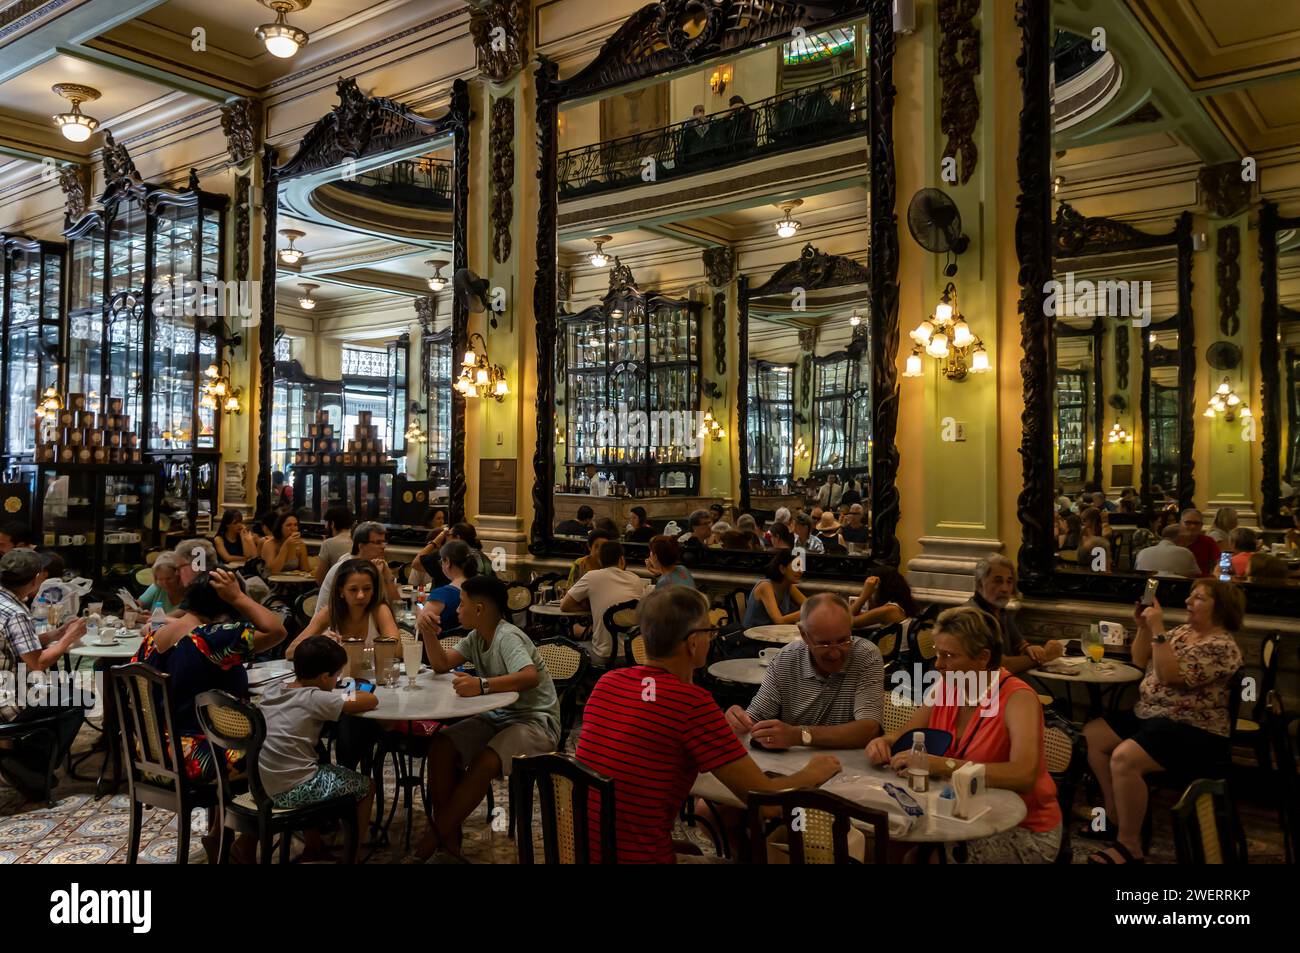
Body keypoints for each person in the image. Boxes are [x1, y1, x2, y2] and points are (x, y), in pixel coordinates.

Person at [577, 586, 841, 863]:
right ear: (693, 642)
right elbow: (768, 805)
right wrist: (814, 772)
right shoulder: (691, 704)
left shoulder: (607, 683)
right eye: (709, 631)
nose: (712, 638)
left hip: (589, 852)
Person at [867, 606, 1063, 864]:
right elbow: (907, 733)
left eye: (949, 656)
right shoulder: (948, 685)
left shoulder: (1018, 699)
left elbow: (1023, 776)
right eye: (938, 654)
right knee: (886, 840)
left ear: (983, 657)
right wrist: (884, 741)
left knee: (928, 858)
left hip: (1020, 826)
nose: (938, 665)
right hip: (957, 813)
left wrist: (942, 765)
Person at [1081, 581, 1245, 865]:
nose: (1188, 601)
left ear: (1220, 608)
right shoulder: (1184, 632)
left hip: (1193, 729)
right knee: (1093, 734)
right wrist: (1144, 627)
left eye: (1198, 598)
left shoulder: (1221, 646)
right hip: (1152, 716)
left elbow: (1170, 676)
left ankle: (1129, 845)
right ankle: (1113, 814)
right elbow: (1138, 658)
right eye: (1190, 595)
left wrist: (1157, 629)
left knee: (1124, 758)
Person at [415, 575, 561, 863]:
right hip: (500, 716)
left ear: (479, 609)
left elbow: (529, 676)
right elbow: (442, 664)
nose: (457, 610)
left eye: (462, 605)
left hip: (535, 721)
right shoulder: (476, 637)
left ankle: (430, 843)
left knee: (484, 761)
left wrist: (481, 684)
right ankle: (450, 844)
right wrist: (428, 633)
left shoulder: (508, 636)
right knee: (442, 745)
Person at [133, 570, 287, 784]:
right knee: (286, 748)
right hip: (198, 754)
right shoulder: (210, 637)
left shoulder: (153, 638)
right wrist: (238, 597)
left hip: (152, 752)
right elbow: (277, 631)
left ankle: (223, 818)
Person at [256, 635, 377, 862]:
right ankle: (354, 856)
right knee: (367, 786)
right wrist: (346, 692)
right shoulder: (316, 697)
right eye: (337, 675)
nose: (337, 679)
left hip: (265, 783)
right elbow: (369, 701)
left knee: (317, 761)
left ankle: (313, 845)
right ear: (324, 677)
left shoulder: (274, 689)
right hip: (293, 790)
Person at [727, 593, 883, 747]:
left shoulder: (865, 655)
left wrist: (799, 735)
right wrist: (739, 720)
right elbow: (756, 717)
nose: (835, 653)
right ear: (804, 634)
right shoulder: (786, 659)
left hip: (852, 767)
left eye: (843, 640)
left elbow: (869, 729)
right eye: (824, 644)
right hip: (792, 765)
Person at [0, 549, 88, 800]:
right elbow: (38, 662)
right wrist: (69, 638)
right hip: (6, 698)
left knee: (60, 694)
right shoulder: (16, 612)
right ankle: (29, 765)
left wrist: (53, 636)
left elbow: (13, 642)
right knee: (78, 700)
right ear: (36, 579)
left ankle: (20, 760)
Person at [966, 554, 1060, 674]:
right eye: (998, 581)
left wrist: (1030, 649)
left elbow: (1020, 644)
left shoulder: (1000, 611)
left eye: (1009, 582)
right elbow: (1000, 667)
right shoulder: (972, 618)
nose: (1005, 589)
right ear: (980, 584)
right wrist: (1046, 655)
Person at [287, 558, 399, 658]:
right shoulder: (330, 612)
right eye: (353, 590)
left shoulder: (379, 610)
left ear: (373, 590)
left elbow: (398, 651)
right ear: (341, 591)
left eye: (367, 589)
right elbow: (290, 652)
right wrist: (318, 643)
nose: (361, 595)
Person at [561, 540, 647, 665]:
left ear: (600, 561)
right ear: (621, 560)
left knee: (573, 647)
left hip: (603, 656)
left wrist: (592, 607)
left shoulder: (592, 577)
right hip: (633, 655)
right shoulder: (636, 579)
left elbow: (565, 605)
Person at [317, 522, 399, 609]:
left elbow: (397, 605)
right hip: (333, 620)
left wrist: (388, 578)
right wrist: (375, 578)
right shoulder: (345, 568)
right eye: (378, 542)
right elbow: (359, 608)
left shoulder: (380, 564)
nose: (383, 547)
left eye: (384, 542)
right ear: (361, 546)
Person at [422, 540, 478, 630]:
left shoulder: (442, 594)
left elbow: (421, 628)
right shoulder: (480, 590)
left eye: (441, 561)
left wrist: (418, 614)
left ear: (447, 561)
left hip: (441, 643)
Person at [741, 551, 806, 627]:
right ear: (782, 568)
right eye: (797, 566)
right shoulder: (765, 586)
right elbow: (779, 621)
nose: (801, 571)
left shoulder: (789, 586)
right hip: (752, 635)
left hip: (773, 634)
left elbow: (810, 605)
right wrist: (806, 611)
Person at [849, 568, 918, 629]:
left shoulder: (889, 610)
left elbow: (847, 622)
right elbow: (873, 609)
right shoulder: (899, 605)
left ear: (881, 587)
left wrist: (864, 595)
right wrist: (869, 594)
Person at [1133, 523, 1201, 577]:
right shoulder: (1185, 553)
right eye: (1187, 539)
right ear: (1181, 538)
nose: (1188, 543)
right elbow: (1196, 576)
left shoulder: (1142, 553)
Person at [565, 523, 620, 587]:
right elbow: (570, 588)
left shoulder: (611, 565)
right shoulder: (580, 564)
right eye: (596, 547)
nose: (599, 551)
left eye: (603, 547)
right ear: (589, 547)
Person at [314, 506, 356, 583]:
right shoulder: (358, 539)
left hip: (336, 591)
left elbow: (320, 579)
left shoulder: (328, 543)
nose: (326, 526)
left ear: (332, 524)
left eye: (326, 523)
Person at [1179, 508, 1220, 576]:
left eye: (1196, 523)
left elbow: (1220, 561)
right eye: (1188, 522)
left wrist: (1217, 571)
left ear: (1201, 526)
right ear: (1180, 523)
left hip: (1201, 582)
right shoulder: (1173, 540)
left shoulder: (1208, 541)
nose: (1192, 526)